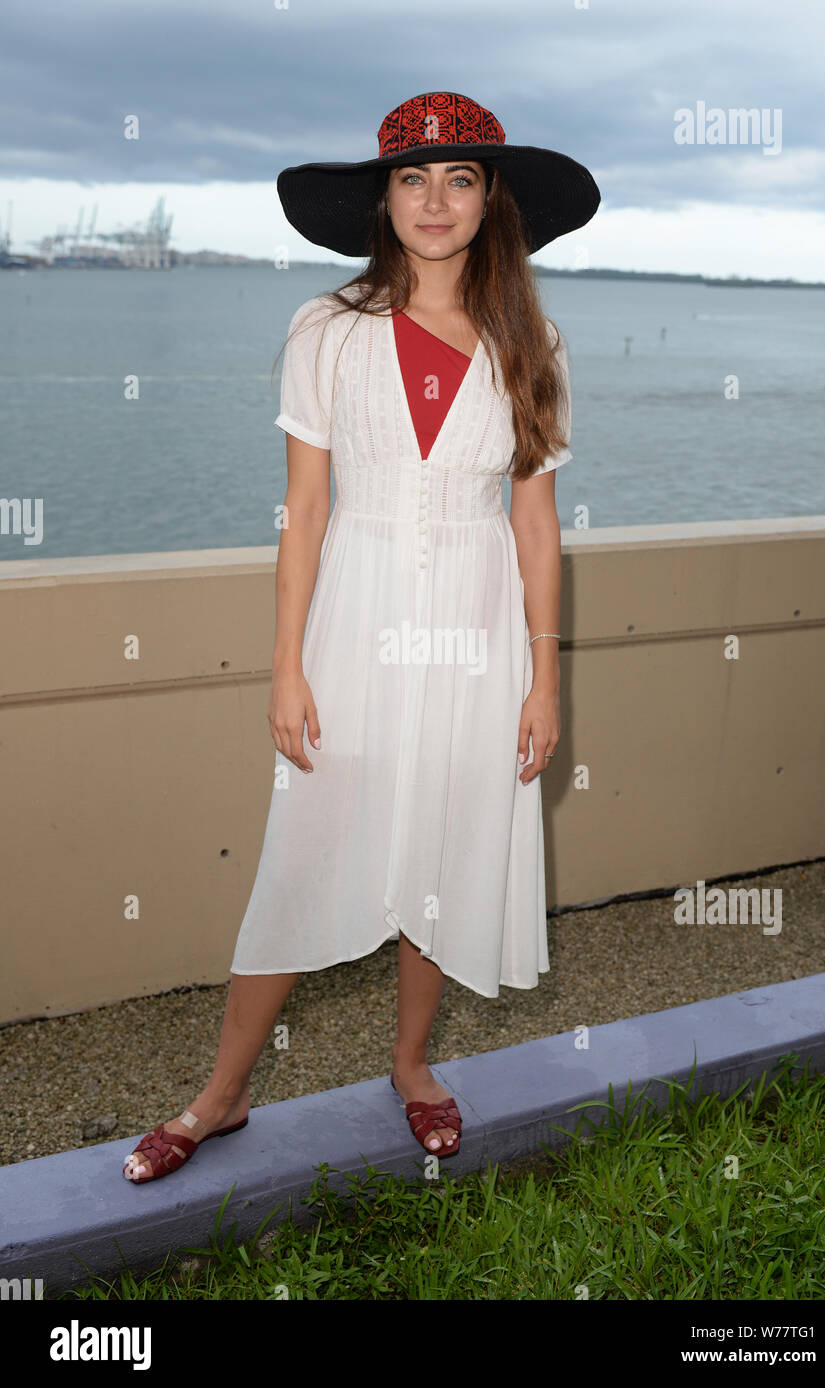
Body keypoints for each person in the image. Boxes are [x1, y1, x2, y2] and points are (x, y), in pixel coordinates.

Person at [123, 91, 600, 1183]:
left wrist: (543, 679)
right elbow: (305, 513)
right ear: (383, 199)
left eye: (460, 178)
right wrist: (285, 665)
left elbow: (534, 524)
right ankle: (222, 1093)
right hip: (355, 621)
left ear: (490, 201)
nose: (435, 201)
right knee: (304, 852)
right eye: (412, 179)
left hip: (479, 629)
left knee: (439, 836)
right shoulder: (327, 329)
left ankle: (412, 1067)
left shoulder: (534, 340)